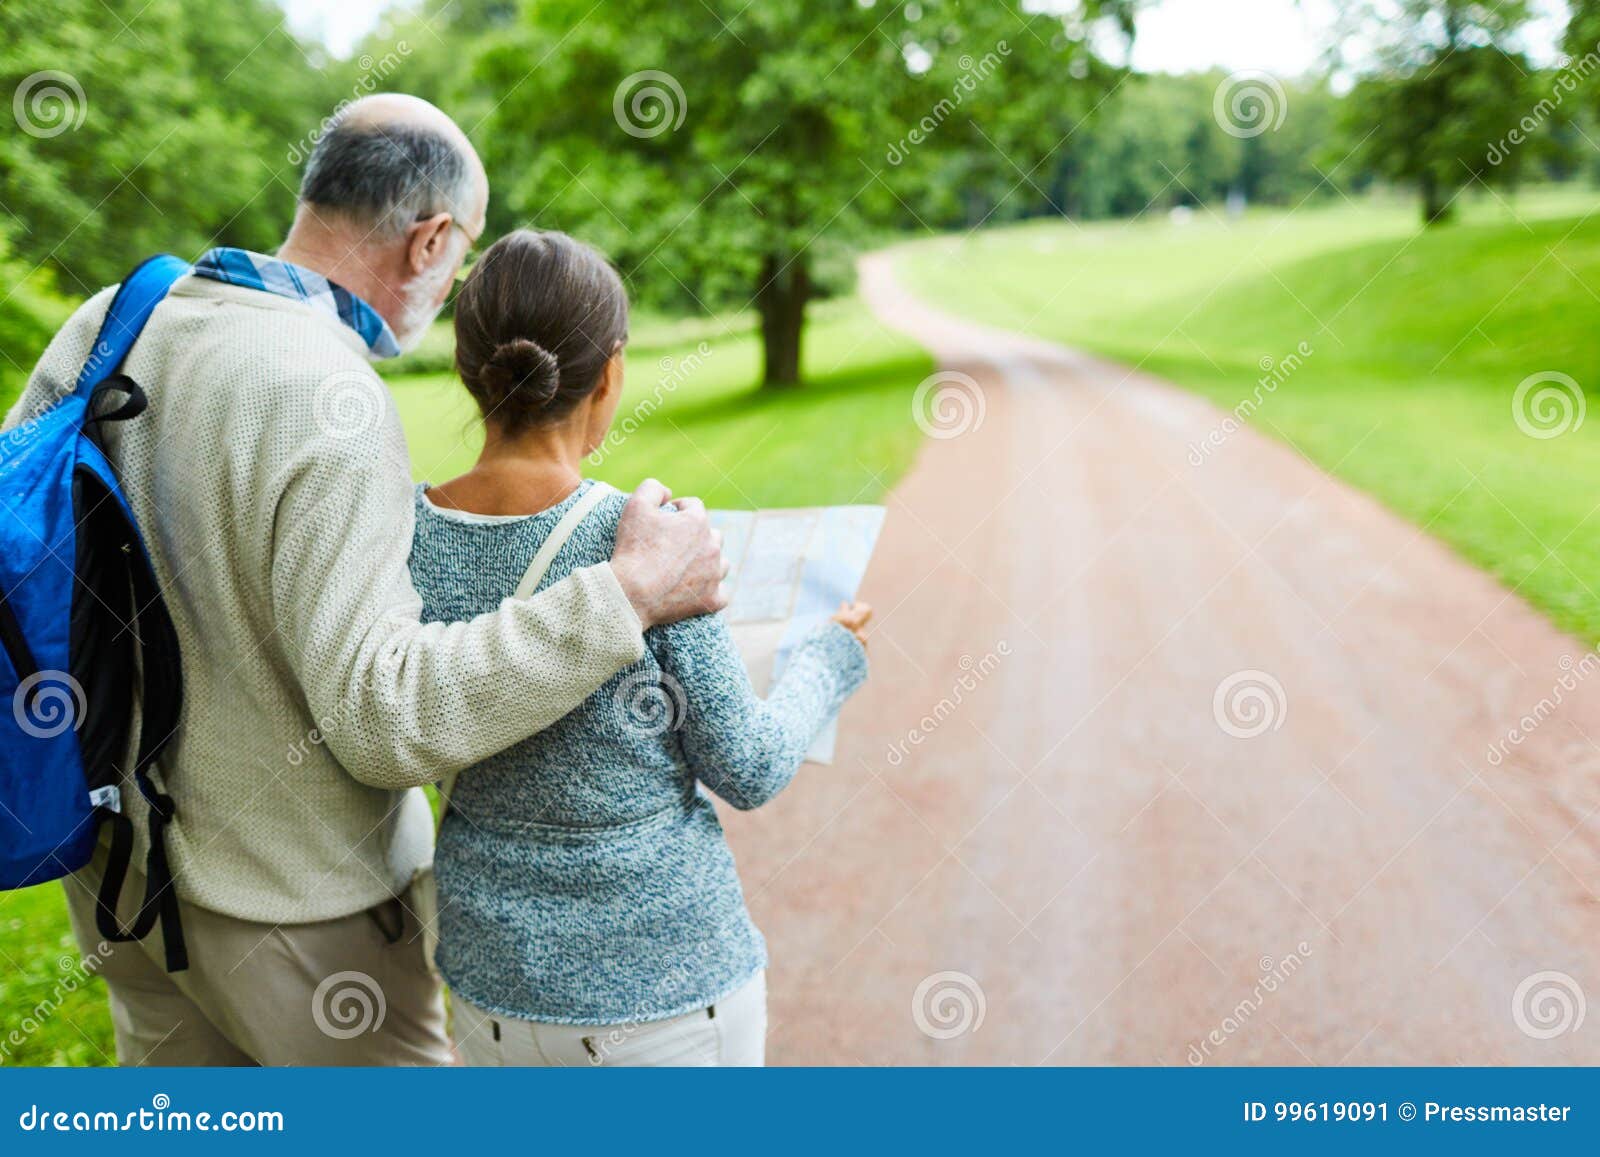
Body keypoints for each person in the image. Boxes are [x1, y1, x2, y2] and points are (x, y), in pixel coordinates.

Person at [2, 95, 726, 1066]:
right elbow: (384, 715)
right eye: (461, 252)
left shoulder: (114, 317)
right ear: (428, 241)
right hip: (296, 913)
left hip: (115, 878)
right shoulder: (327, 391)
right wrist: (627, 593)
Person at [409, 228, 872, 1067]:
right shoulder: (650, 544)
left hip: (491, 991)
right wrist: (828, 660)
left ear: (467, 364)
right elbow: (750, 766)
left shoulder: (403, 533)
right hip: (665, 993)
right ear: (611, 372)